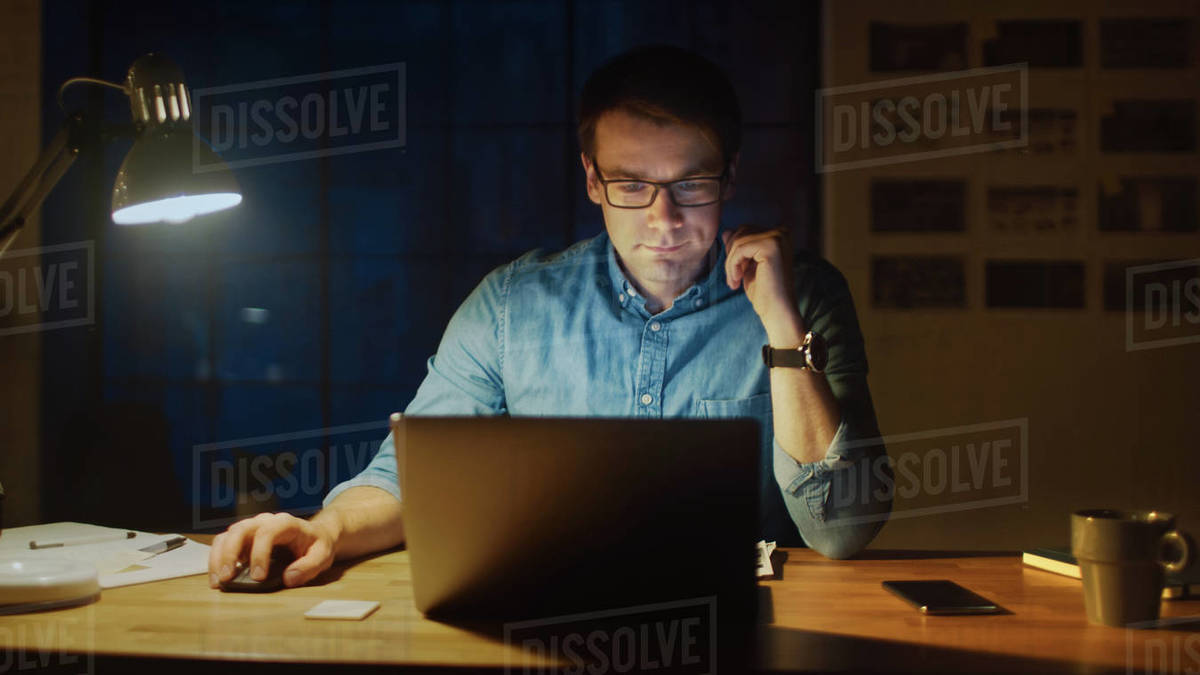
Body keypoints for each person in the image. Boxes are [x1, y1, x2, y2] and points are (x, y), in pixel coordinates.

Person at [208, 45, 891, 591]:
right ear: (593, 180)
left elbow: (842, 528)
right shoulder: (512, 306)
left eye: (692, 183)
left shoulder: (807, 296)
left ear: (730, 177)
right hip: (553, 622)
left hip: (753, 633)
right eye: (630, 186)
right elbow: (406, 482)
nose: (664, 219)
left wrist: (779, 328)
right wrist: (324, 529)